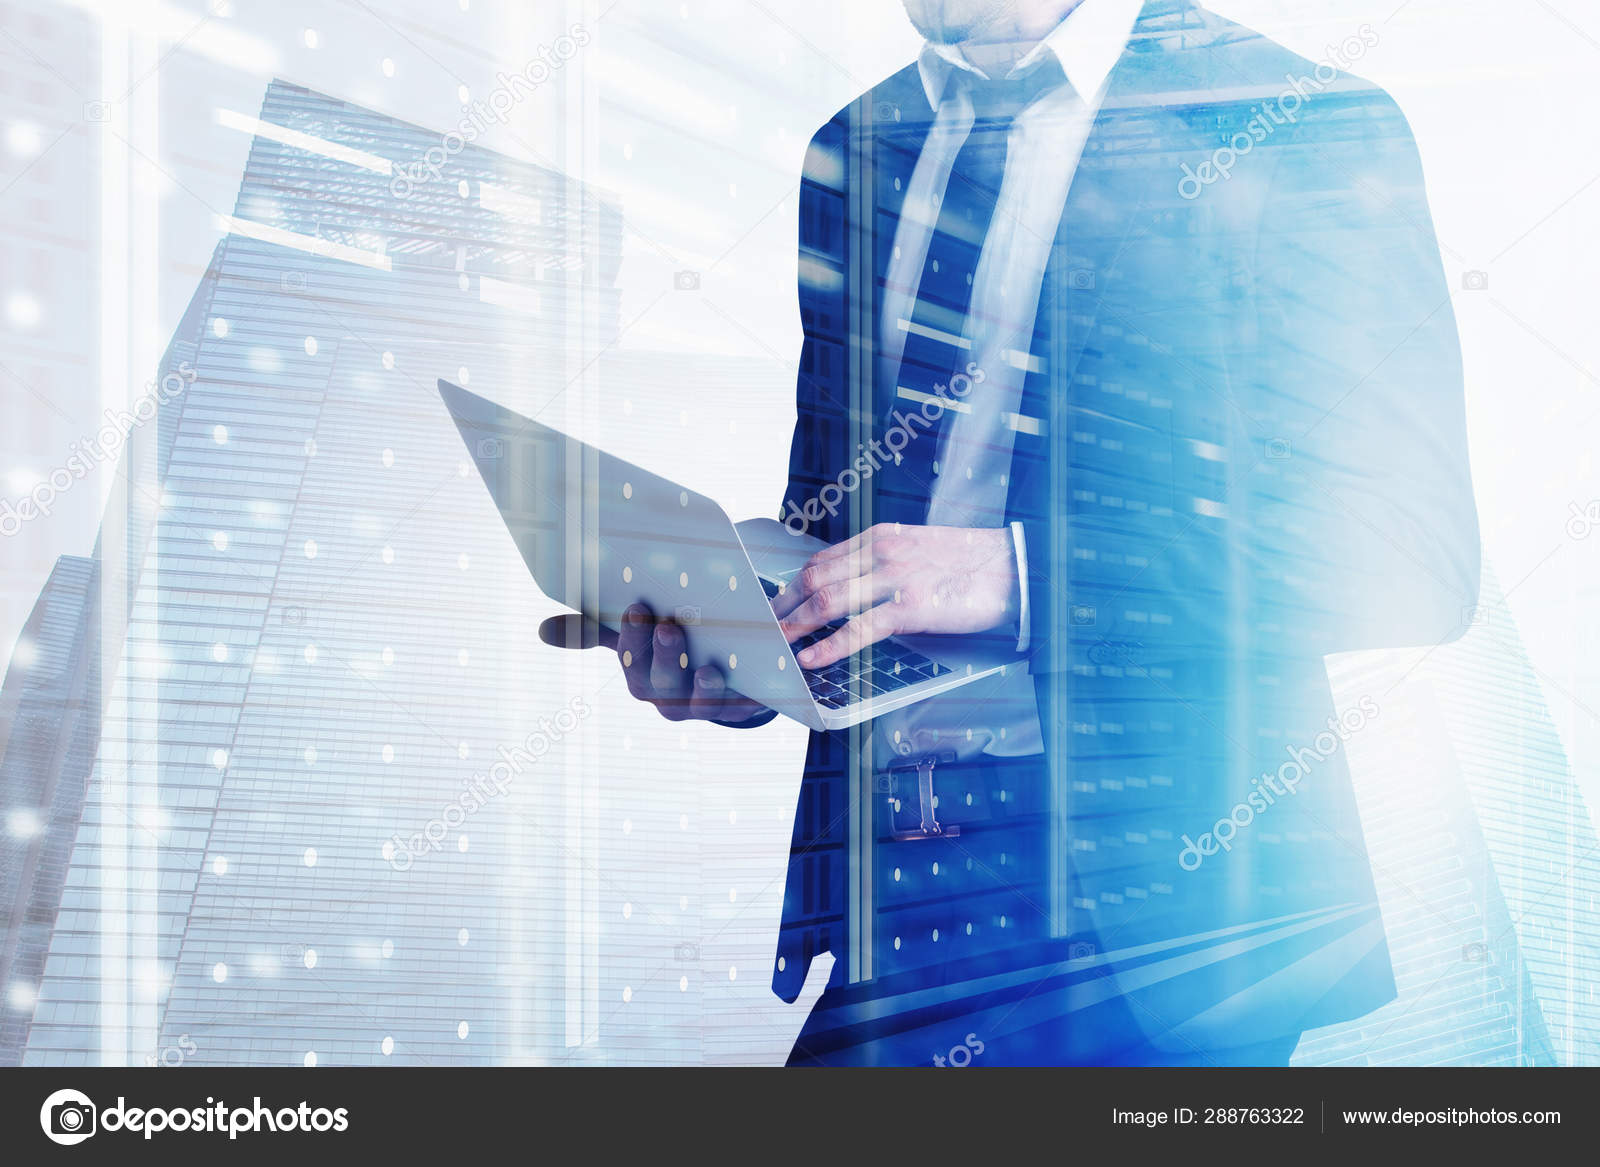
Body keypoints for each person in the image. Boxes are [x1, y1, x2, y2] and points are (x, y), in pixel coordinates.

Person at [594, 0, 1479, 1065]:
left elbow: (1408, 550)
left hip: (1158, 922)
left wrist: (1020, 576)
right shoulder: (856, 147)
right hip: (896, 892)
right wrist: (756, 632)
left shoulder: (1292, 129)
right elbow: (836, 520)